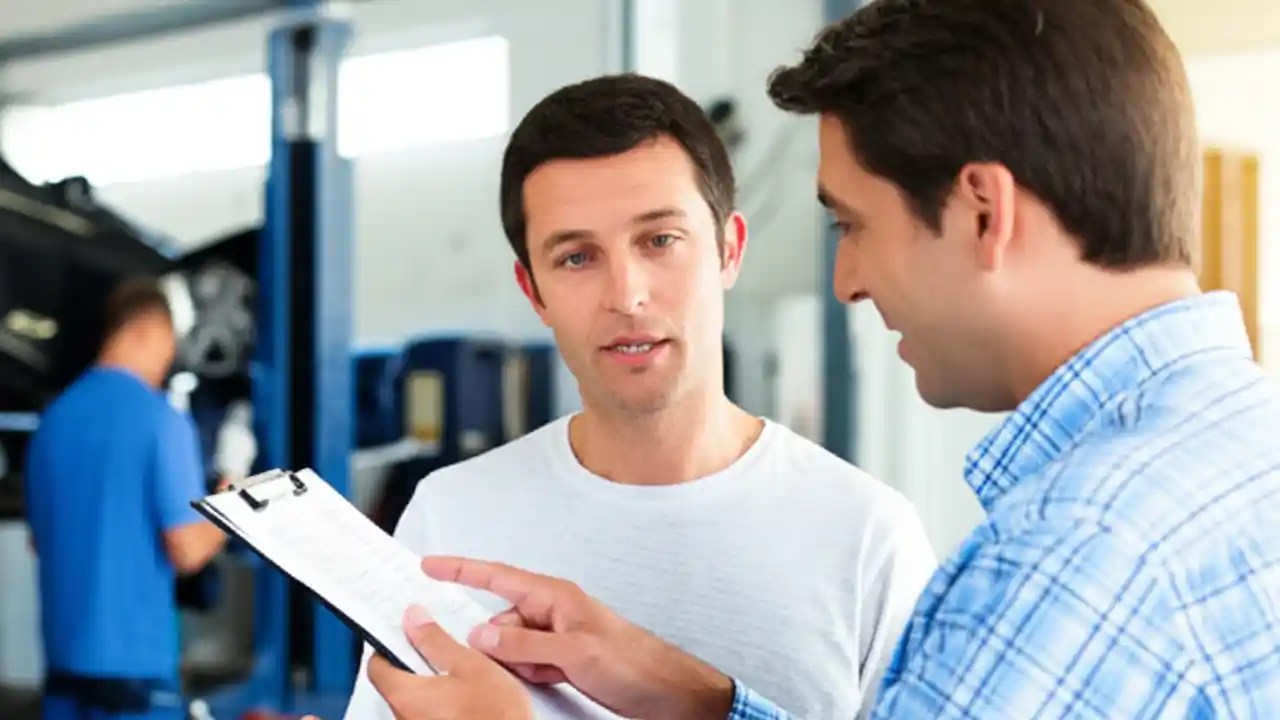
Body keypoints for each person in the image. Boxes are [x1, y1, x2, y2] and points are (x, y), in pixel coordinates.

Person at [355, 0, 1280, 718]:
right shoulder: (1238, 452)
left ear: (984, 215)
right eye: (576, 256)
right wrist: (701, 698)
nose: (844, 281)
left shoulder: (1060, 552)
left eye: (853, 224)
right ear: (534, 287)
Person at [340, 74, 937, 720]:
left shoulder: (868, 538)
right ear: (533, 290)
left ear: (728, 249)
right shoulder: (450, 522)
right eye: (576, 258)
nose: (626, 295)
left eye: (660, 241)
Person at [25, 278, 230, 720]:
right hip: (135, 678)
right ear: (145, 333)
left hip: (63, 669)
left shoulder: (54, 420)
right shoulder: (161, 420)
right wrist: (232, 507)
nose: (168, 361)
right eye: (167, 348)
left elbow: (39, 541)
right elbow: (188, 548)